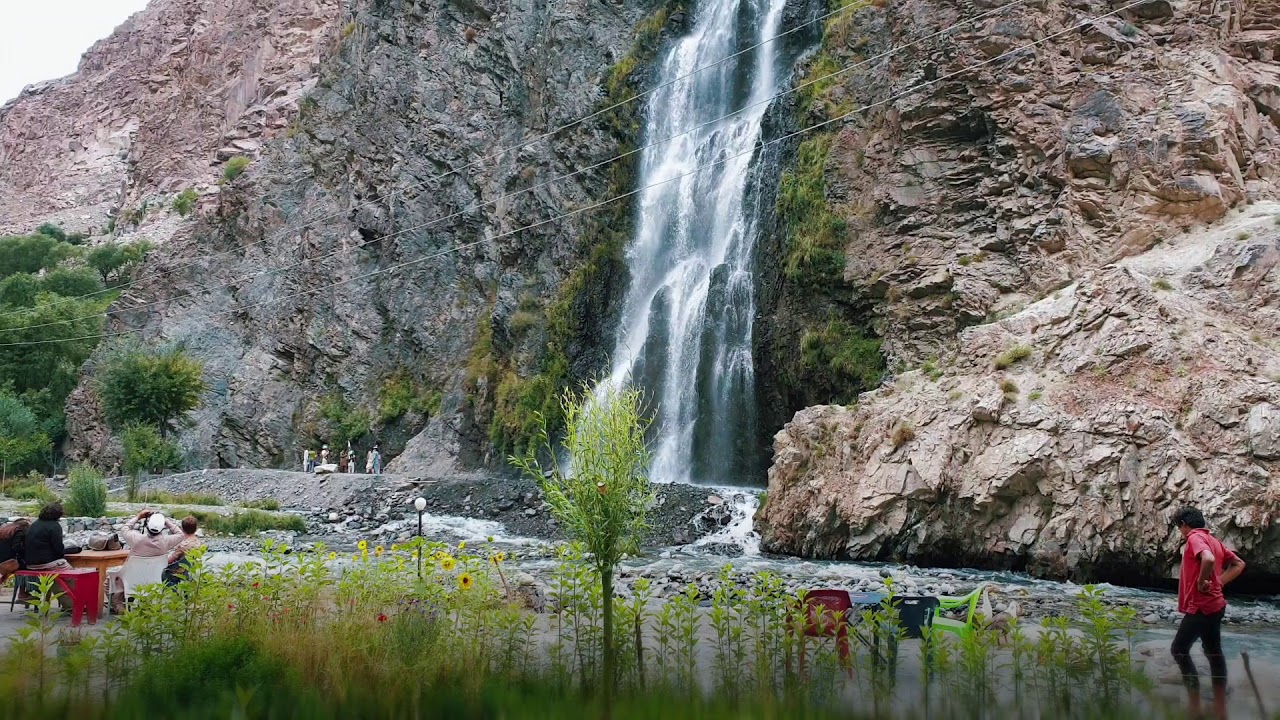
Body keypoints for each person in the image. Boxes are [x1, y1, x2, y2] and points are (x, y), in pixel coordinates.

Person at [1170, 507, 1247, 720]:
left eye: (1179, 527)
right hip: (1216, 606)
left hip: (1200, 607)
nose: (1180, 532)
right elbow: (1239, 564)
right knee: (1214, 652)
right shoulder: (1214, 540)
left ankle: (1194, 708)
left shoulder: (1194, 538)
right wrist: (1219, 582)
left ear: (1184, 525)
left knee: (1179, 650)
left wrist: (1202, 581)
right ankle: (1220, 709)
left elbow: (1208, 559)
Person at [163, 516, 203, 586]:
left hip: (177, 573)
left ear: (182, 528)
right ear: (196, 529)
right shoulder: (198, 542)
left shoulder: (182, 546)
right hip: (190, 571)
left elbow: (168, 561)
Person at [0, 518, 31, 586]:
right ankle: (24, 589)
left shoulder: (5, 530)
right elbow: (16, 547)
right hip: (9, 562)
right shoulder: (21, 530)